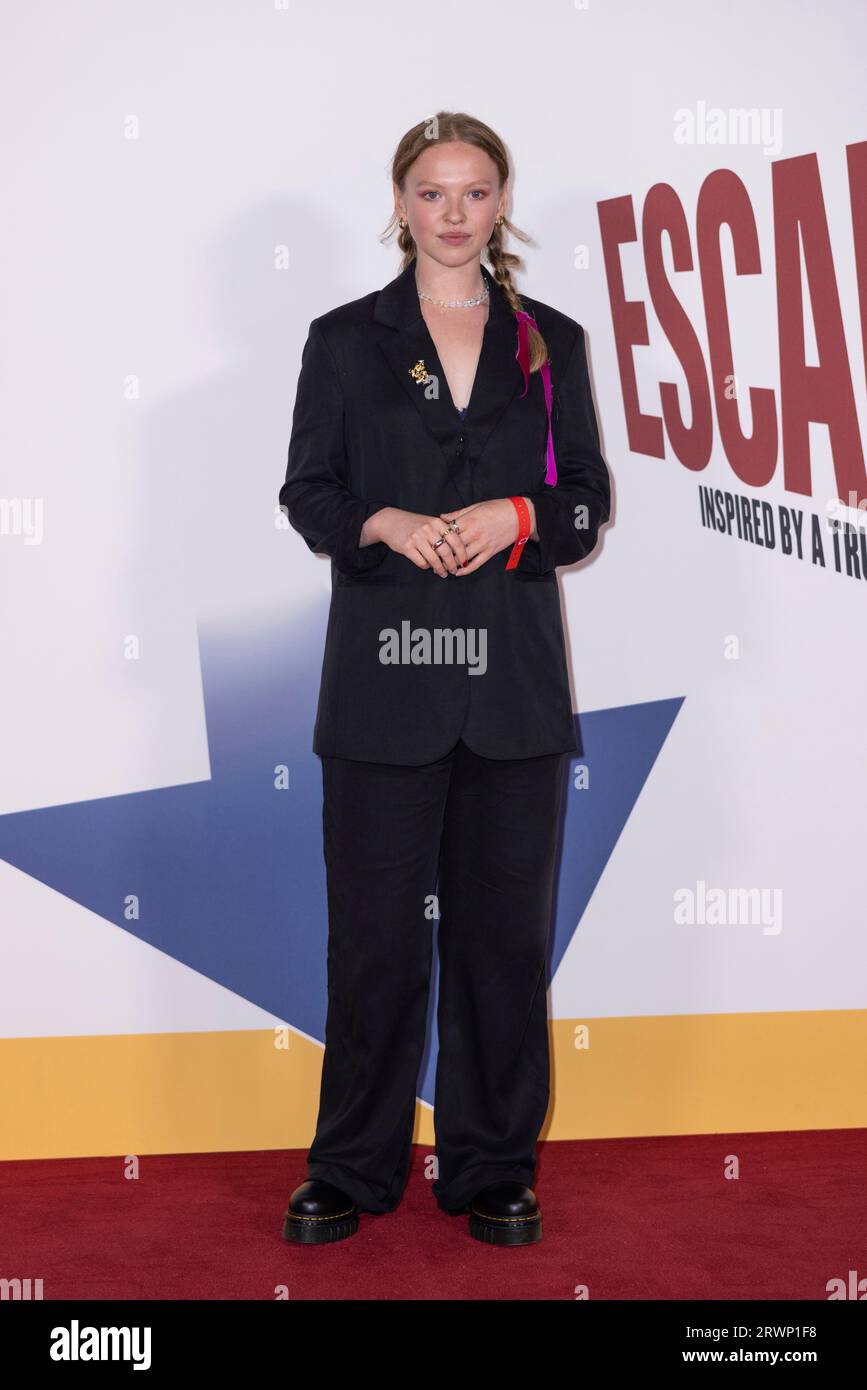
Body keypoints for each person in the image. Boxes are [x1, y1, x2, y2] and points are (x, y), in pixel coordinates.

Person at [278, 111, 610, 1246]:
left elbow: (583, 506)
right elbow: (308, 494)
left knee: (503, 943)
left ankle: (491, 1164)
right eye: (432, 192)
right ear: (401, 205)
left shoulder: (550, 342)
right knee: (372, 942)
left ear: (503, 202)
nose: (454, 212)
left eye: (475, 191)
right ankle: (352, 1166)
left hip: (512, 691)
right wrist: (383, 518)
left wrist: (517, 512)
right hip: (383, 688)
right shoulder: (342, 340)